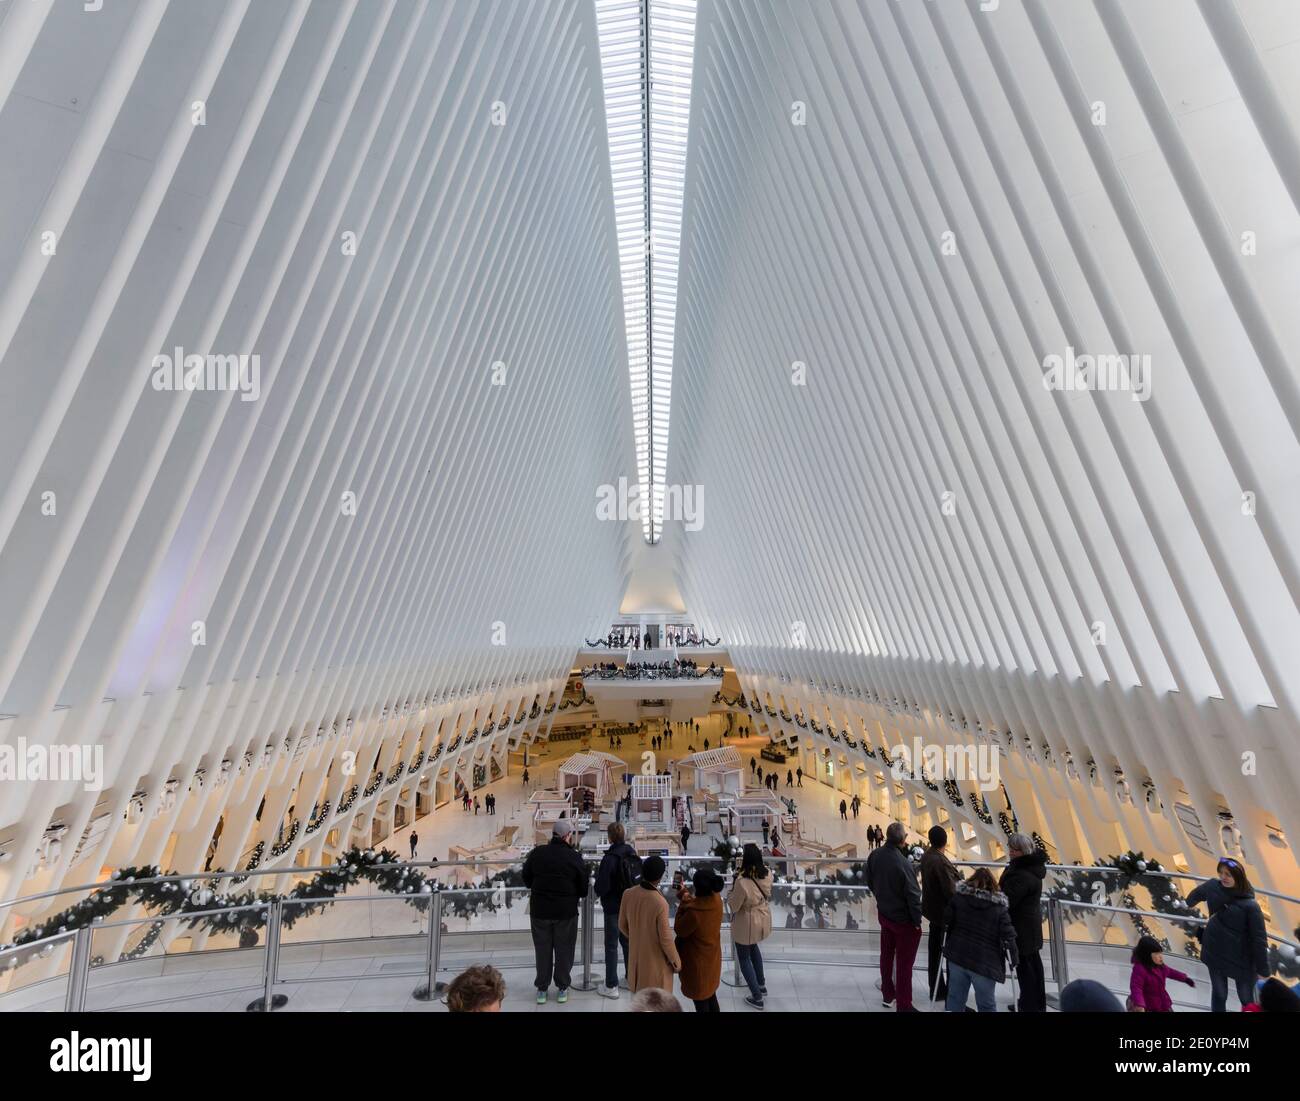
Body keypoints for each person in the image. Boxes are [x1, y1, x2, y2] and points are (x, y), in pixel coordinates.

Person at [1185, 857, 1269, 1012]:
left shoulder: (1251, 906)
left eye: (1228, 874)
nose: (1223, 877)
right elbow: (1193, 897)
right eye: (1221, 873)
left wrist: (1263, 970)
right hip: (1218, 951)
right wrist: (1188, 906)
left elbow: (1259, 940)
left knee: (1244, 998)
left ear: (1238, 877)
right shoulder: (1213, 886)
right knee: (1223, 994)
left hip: (1237, 957)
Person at [521, 818, 589, 1004]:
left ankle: (542, 988)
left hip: (540, 910)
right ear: (567, 836)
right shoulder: (573, 857)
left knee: (542, 950)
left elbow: (526, 877)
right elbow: (583, 887)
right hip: (565, 912)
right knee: (564, 949)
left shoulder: (538, 853)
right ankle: (562, 987)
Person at [942, 867, 1017, 1013]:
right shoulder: (999, 908)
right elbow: (1008, 936)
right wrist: (1013, 959)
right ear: (993, 884)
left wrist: (945, 944)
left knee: (955, 999)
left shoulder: (959, 899)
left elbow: (946, 920)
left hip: (958, 957)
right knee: (986, 1005)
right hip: (985, 964)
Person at [866, 821, 923, 1011]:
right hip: (903, 922)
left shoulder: (875, 855)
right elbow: (913, 895)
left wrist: (881, 897)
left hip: (885, 915)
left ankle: (888, 994)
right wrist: (916, 921)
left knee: (886, 956)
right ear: (903, 840)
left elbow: (869, 880)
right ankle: (904, 1005)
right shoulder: (903, 863)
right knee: (904, 964)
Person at [619, 855, 681, 993]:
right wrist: (676, 962)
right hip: (655, 966)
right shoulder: (660, 903)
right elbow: (666, 940)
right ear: (660, 877)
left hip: (636, 962)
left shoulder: (628, 894)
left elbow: (622, 925)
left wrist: (637, 937)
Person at [1000, 833, 1047, 1012]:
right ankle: (1033, 1004)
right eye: (1010, 848)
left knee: (1026, 969)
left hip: (1022, 928)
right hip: (1029, 926)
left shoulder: (1022, 875)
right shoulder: (1029, 869)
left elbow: (1007, 899)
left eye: (1015, 849)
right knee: (1033, 966)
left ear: (1024, 851)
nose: (1011, 852)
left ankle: (1029, 1006)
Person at [593, 822, 639, 998]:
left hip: (613, 907)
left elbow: (601, 887)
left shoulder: (609, 859)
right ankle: (630, 978)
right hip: (630, 906)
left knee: (611, 946)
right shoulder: (632, 853)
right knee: (628, 943)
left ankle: (611, 985)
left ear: (610, 837)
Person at [729, 843, 772, 1010]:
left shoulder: (742, 881)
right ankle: (761, 984)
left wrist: (733, 886)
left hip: (747, 922)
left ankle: (757, 997)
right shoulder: (767, 873)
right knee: (754, 948)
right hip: (762, 915)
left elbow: (734, 905)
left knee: (744, 957)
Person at [675, 868, 725, 1011]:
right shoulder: (717, 900)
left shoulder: (694, 913)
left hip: (697, 964)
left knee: (701, 1002)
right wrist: (685, 895)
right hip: (712, 959)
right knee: (711, 995)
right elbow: (698, 904)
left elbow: (680, 929)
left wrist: (682, 904)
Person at [920, 825, 960, 1002]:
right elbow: (950, 890)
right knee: (950, 954)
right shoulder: (940, 862)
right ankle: (951, 993)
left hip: (933, 912)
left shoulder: (927, 856)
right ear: (945, 841)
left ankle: (936, 989)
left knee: (934, 953)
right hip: (944, 915)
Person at [1128, 934, 1194, 1012]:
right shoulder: (1140, 969)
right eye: (1156, 954)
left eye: (1160, 953)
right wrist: (1139, 1004)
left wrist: (1185, 979)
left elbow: (1171, 972)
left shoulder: (1160, 966)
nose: (1160, 956)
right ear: (1146, 955)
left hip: (1162, 1003)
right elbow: (1136, 987)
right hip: (1147, 1006)